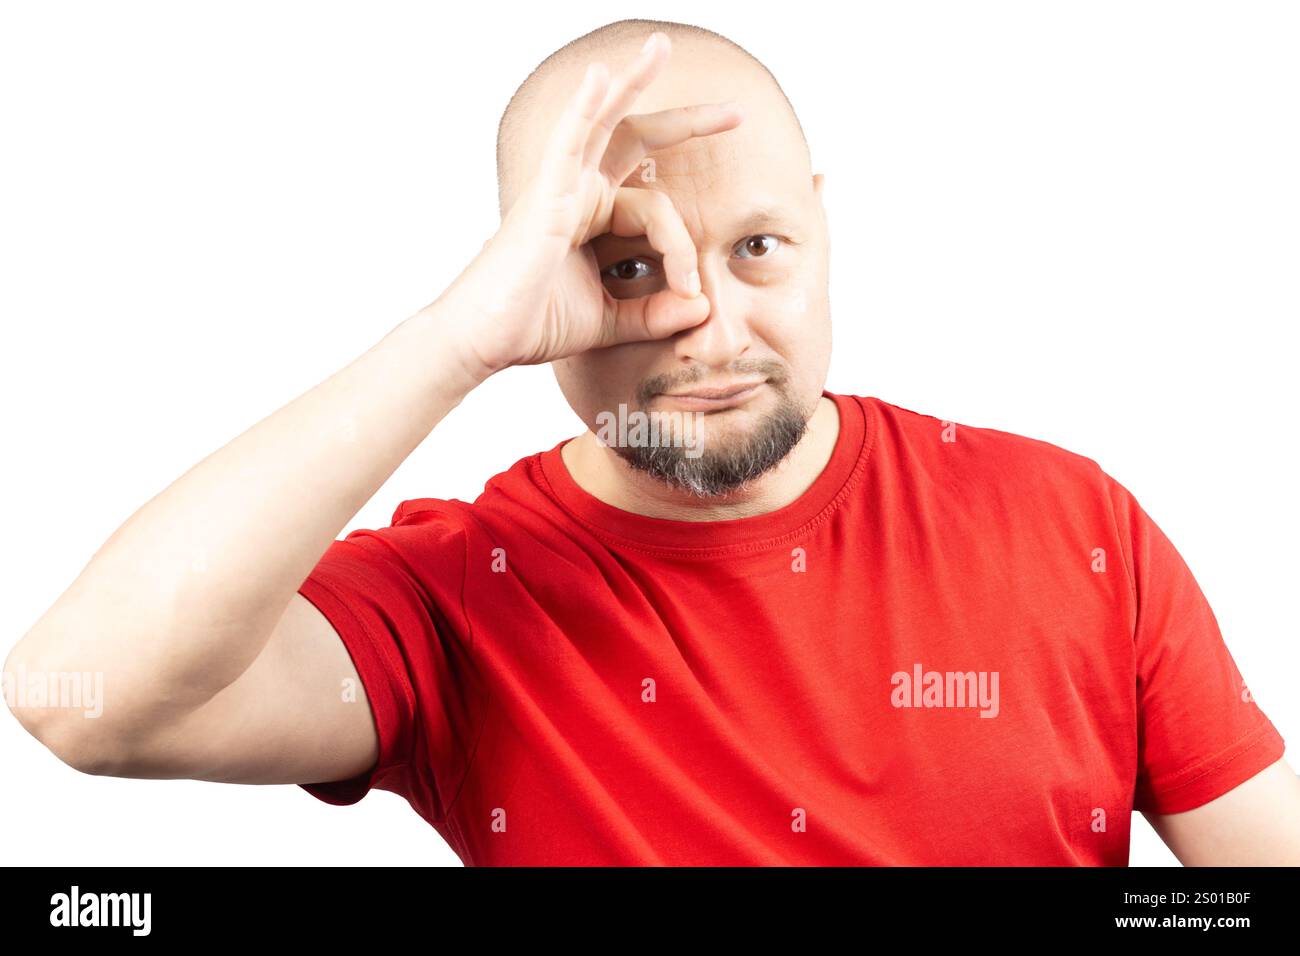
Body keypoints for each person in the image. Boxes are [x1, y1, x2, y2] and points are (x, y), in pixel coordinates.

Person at [6, 18, 1298, 866]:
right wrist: (454, 337)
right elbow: (84, 694)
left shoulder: (1073, 527)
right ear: (532, 286)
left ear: (824, 232)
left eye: (757, 249)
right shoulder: (468, 596)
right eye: (625, 267)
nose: (706, 324)